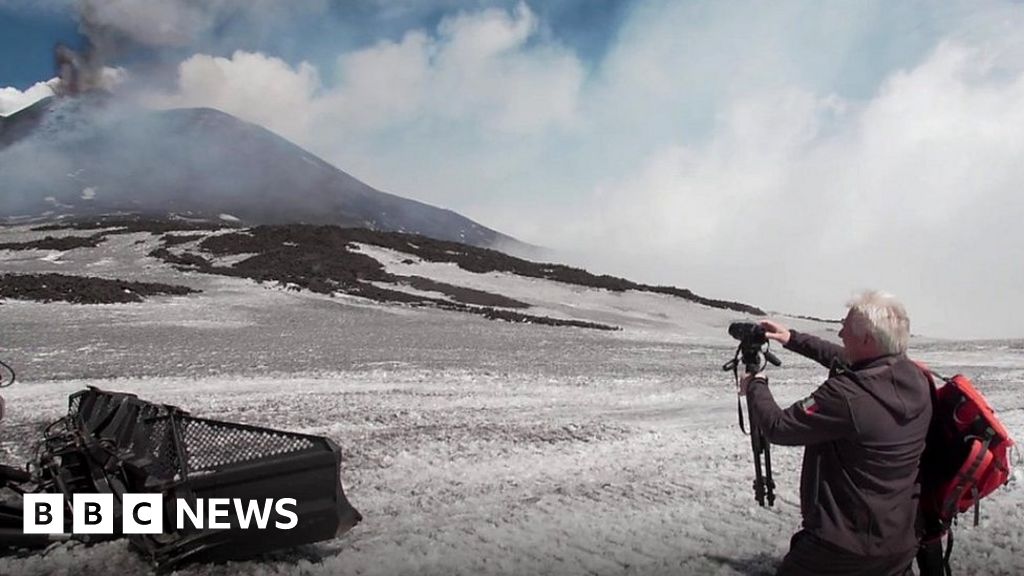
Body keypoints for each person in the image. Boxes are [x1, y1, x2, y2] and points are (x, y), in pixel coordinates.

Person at [740, 290, 932, 576]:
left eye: (845, 326)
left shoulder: (845, 396)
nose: (840, 333)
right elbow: (845, 357)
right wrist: (791, 338)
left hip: (841, 547)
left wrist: (755, 384)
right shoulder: (915, 376)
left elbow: (778, 428)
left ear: (867, 339)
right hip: (899, 540)